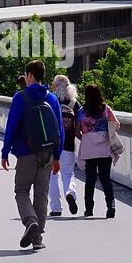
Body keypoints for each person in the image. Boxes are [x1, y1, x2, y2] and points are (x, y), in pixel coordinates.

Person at [1, 59, 64, 250]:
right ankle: (38, 239)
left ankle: (30, 222)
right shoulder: (52, 98)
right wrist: (58, 156)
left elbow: (11, 126)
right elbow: (59, 129)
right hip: (47, 153)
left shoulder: (20, 97)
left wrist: (5, 152)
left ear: (29, 76)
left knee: (21, 190)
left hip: (26, 152)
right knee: (42, 193)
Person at [75, 83, 120, 218]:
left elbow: (77, 131)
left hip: (89, 149)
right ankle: (111, 205)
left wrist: (86, 138)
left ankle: (89, 209)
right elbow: (116, 125)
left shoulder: (82, 111)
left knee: (90, 180)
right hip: (104, 148)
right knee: (105, 178)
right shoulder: (106, 109)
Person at [48, 74, 81, 216]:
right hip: (68, 144)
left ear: (55, 86)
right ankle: (70, 193)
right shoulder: (75, 103)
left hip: (51, 144)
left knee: (52, 175)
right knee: (68, 174)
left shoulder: (50, 100)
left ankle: (56, 208)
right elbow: (79, 125)